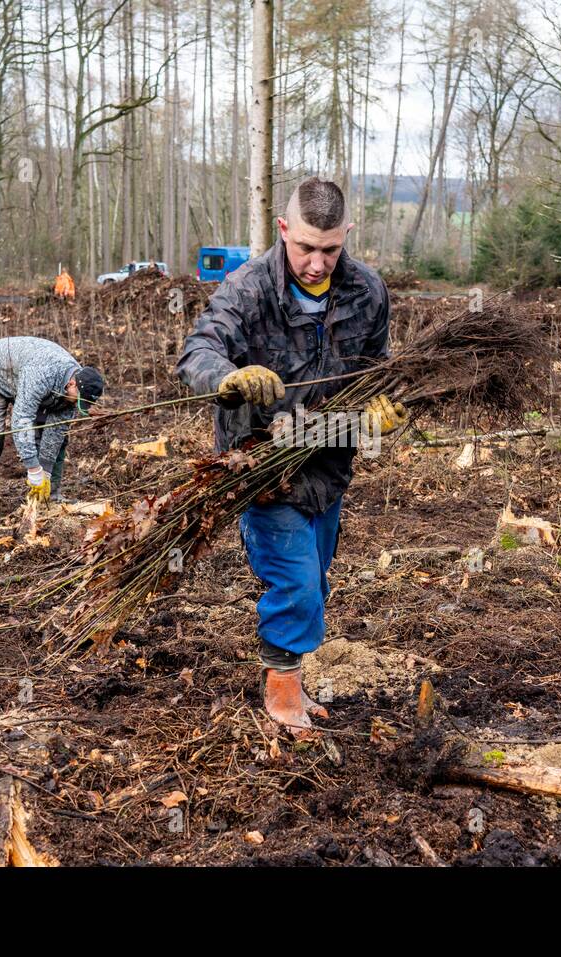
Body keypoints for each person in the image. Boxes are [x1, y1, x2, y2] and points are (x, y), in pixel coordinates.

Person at [176, 176, 406, 738]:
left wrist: (382, 406)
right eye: (305, 247)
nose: (316, 262)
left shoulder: (368, 291)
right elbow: (196, 353)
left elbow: (378, 368)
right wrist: (230, 378)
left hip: (329, 464)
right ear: (284, 230)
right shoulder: (248, 288)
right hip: (263, 465)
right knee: (297, 582)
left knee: (317, 577)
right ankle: (280, 693)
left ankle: (295, 682)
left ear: (346, 234)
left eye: (330, 249)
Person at [0, 336, 104, 525]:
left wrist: (44, 473)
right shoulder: (43, 373)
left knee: (59, 439)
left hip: (21, 379)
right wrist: (33, 468)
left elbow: (55, 430)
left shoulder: (76, 388)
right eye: (78, 399)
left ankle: (50, 499)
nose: (76, 405)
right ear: (72, 384)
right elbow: (22, 421)